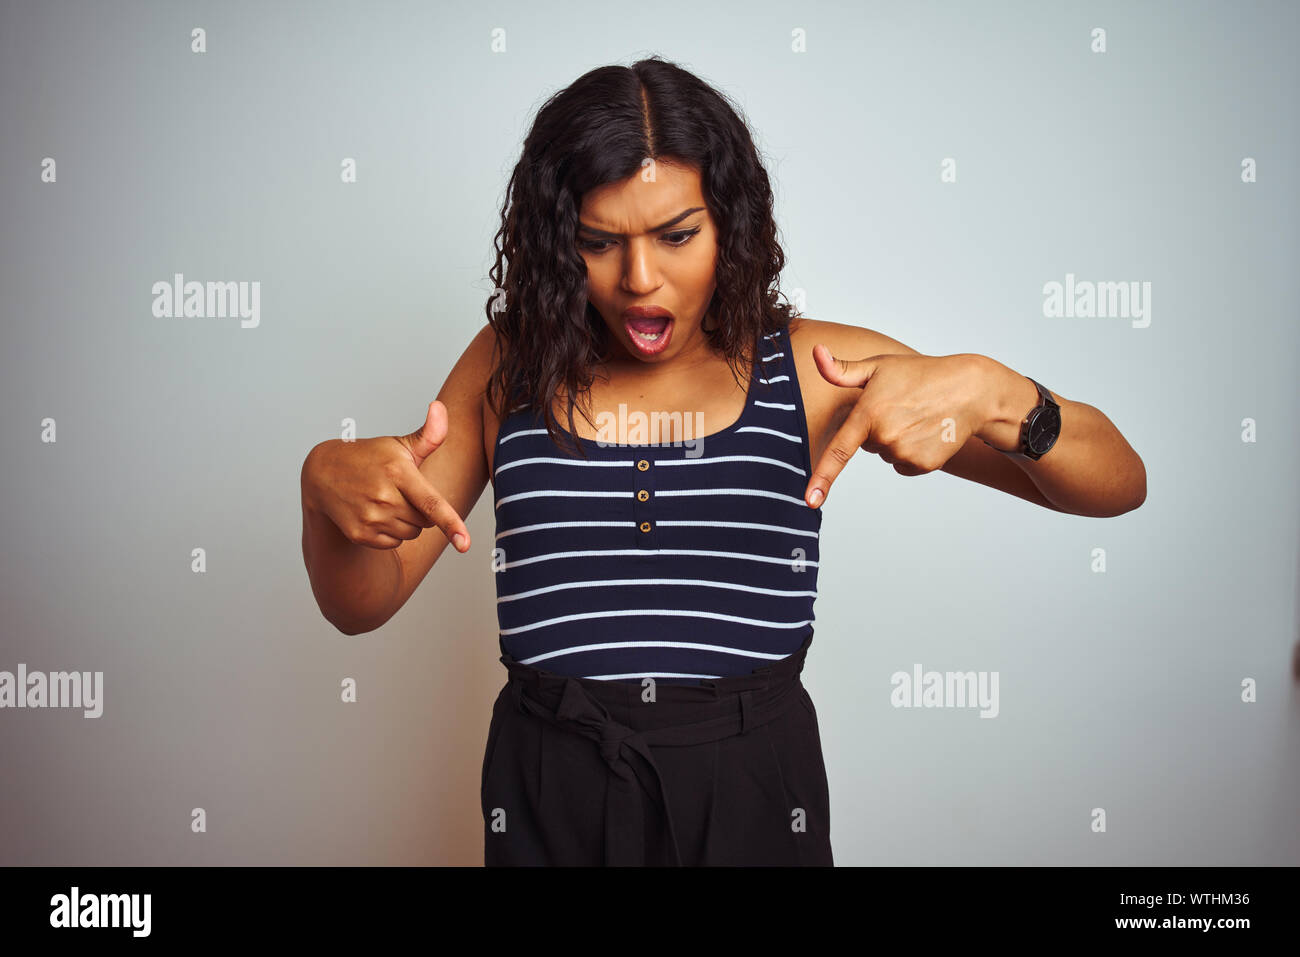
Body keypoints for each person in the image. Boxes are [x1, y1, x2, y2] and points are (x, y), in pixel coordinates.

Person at [299, 56, 1147, 866]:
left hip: (750, 787)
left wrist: (1005, 394)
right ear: (559, 240)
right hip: (546, 786)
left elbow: (1119, 484)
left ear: (729, 223)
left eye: (677, 235)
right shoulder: (508, 365)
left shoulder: (812, 373)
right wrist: (321, 493)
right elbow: (360, 604)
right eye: (599, 242)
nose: (640, 278)